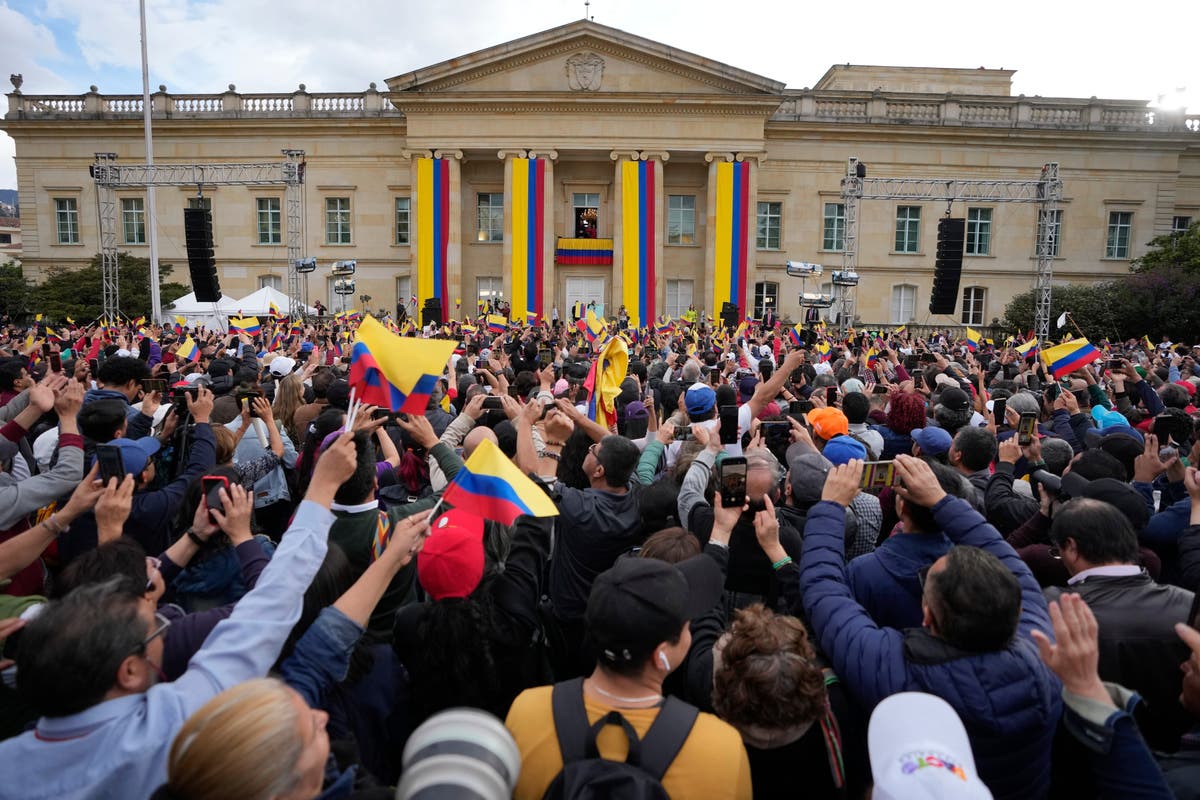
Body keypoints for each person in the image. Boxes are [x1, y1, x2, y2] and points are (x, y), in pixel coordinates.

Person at [0, 431, 360, 800]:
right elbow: (272, 599)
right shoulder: (165, 727)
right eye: (155, 622)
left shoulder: (9, 762)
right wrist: (322, 486)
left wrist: (195, 534)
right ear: (130, 670)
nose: (163, 614)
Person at [799, 455, 1061, 800]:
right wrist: (941, 501)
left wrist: (831, 507)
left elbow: (825, 592)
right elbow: (1007, 560)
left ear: (927, 617)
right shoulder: (1042, 655)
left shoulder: (897, 673)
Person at [505, 555, 752, 799]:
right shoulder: (721, 748)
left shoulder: (526, 711)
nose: (691, 631)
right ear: (661, 654)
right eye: (688, 625)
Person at [1044, 497, 1195, 751]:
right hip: (1177, 760)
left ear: (1070, 547)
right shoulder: (1189, 605)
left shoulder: (1056, 610)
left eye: (1057, 550)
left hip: (1088, 757)